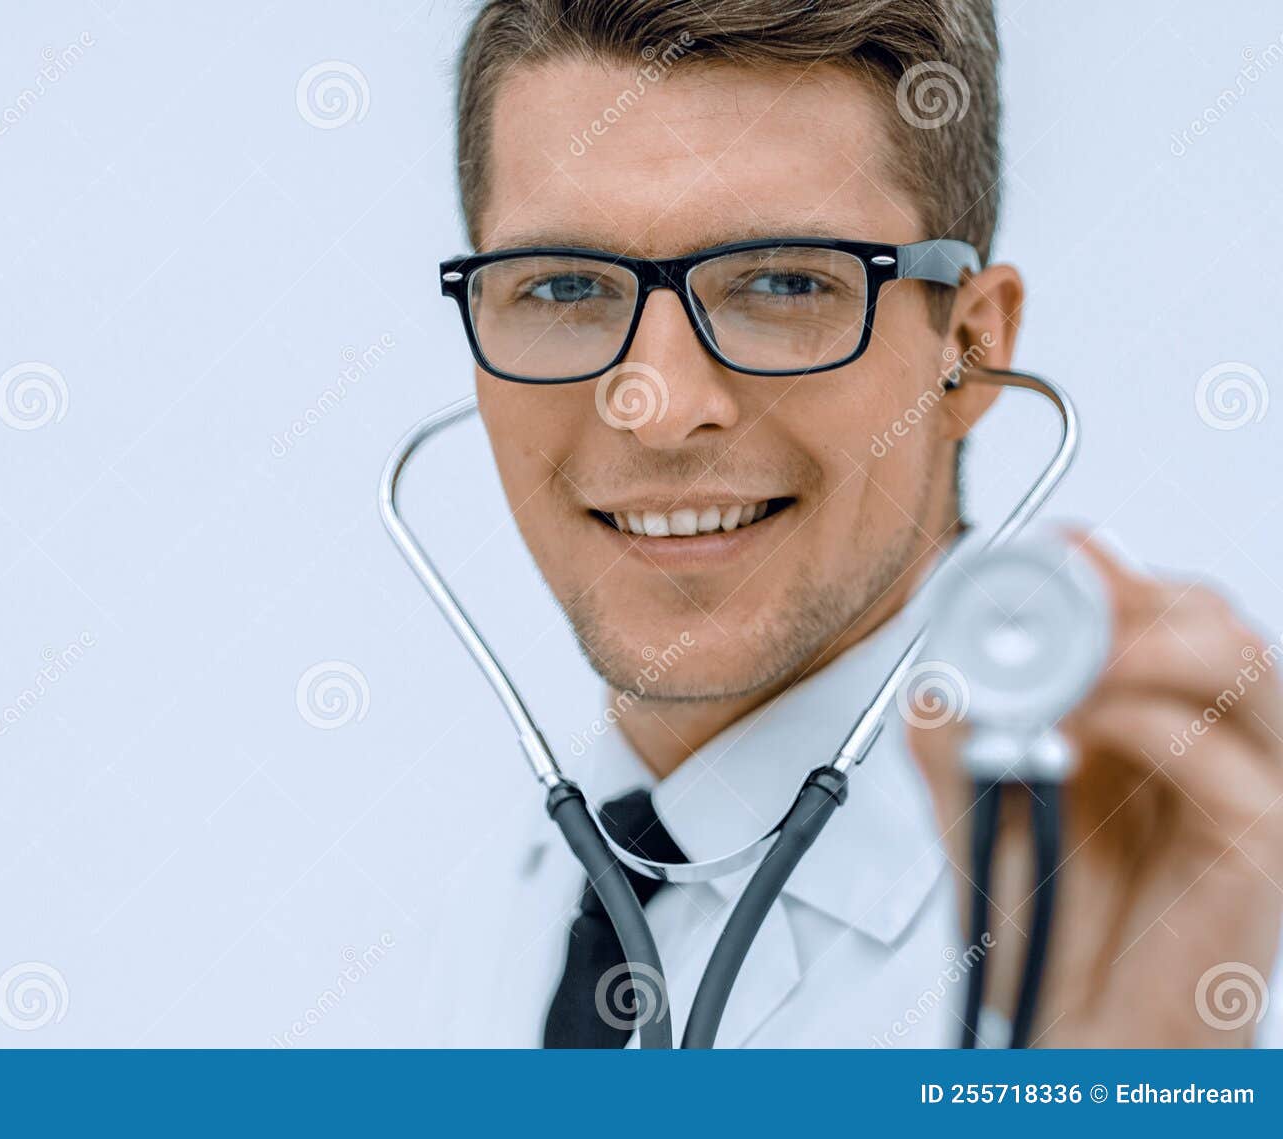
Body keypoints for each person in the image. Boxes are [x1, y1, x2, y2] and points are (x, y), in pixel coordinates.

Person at [440, 0, 1283, 1046]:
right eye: (563, 285)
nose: (655, 406)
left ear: (969, 346)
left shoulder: (1188, 917)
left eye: (784, 281)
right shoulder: (444, 893)